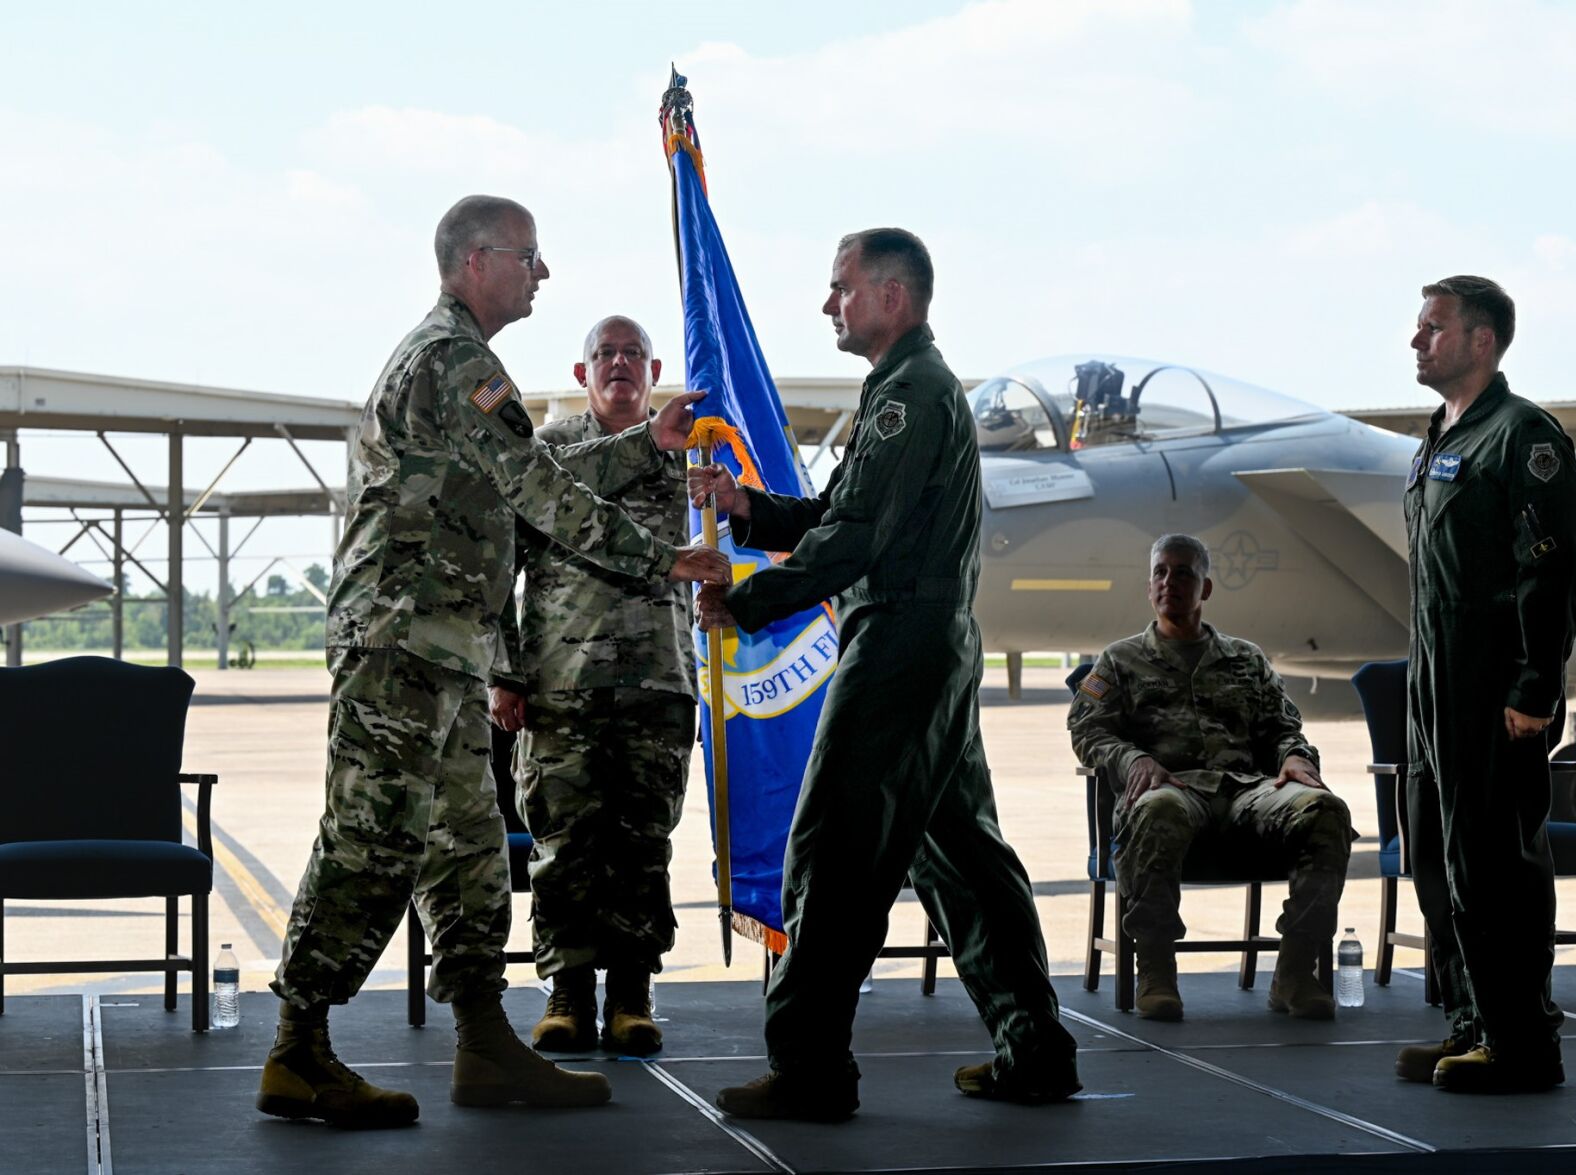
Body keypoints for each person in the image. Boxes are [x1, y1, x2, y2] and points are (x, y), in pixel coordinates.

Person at [256, 195, 730, 1129]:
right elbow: (542, 490)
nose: (541, 273)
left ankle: (482, 1041)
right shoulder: (454, 360)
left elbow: (529, 490)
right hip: (401, 641)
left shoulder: (460, 359)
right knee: (372, 838)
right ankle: (297, 1045)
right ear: (477, 262)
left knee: (469, 848)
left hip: (445, 648)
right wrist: (666, 558)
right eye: (528, 257)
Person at [691, 228, 1080, 1121]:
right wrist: (747, 510)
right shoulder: (903, 392)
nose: (829, 304)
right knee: (964, 861)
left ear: (892, 296)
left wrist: (748, 601)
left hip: (900, 641)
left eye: (840, 288)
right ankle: (1036, 1049)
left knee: (830, 850)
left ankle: (809, 1067)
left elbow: (855, 539)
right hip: (926, 642)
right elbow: (839, 510)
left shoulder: (909, 396)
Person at [1398, 275, 1576, 1093]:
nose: (1415, 341)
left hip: (1492, 685)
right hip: (1432, 680)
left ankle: (1521, 1041)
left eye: (1432, 328)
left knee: (1493, 863)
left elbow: (1556, 572)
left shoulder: (1522, 437)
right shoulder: (1440, 433)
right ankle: (1471, 1021)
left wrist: (1533, 685)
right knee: (1435, 855)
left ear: (1481, 341)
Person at [488, 316, 695, 1056]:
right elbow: (501, 568)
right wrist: (506, 673)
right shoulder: (549, 453)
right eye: (603, 354)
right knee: (564, 847)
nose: (617, 364)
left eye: (631, 353)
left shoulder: (692, 460)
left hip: (659, 681)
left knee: (643, 844)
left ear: (653, 368)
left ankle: (634, 996)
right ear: (581, 375)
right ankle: (567, 995)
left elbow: (733, 546)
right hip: (561, 687)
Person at [1068, 535, 1352, 1023]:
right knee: (1156, 810)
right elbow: (1087, 728)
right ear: (1148, 586)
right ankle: (1155, 972)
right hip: (1170, 790)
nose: (1169, 583)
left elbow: (1284, 729)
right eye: (1160, 573)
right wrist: (1133, 760)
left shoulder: (1247, 659)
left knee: (1326, 810)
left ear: (1206, 588)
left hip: (1244, 792)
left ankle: (1295, 972)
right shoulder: (1118, 661)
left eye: (1182, 573)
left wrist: (1295, 758)